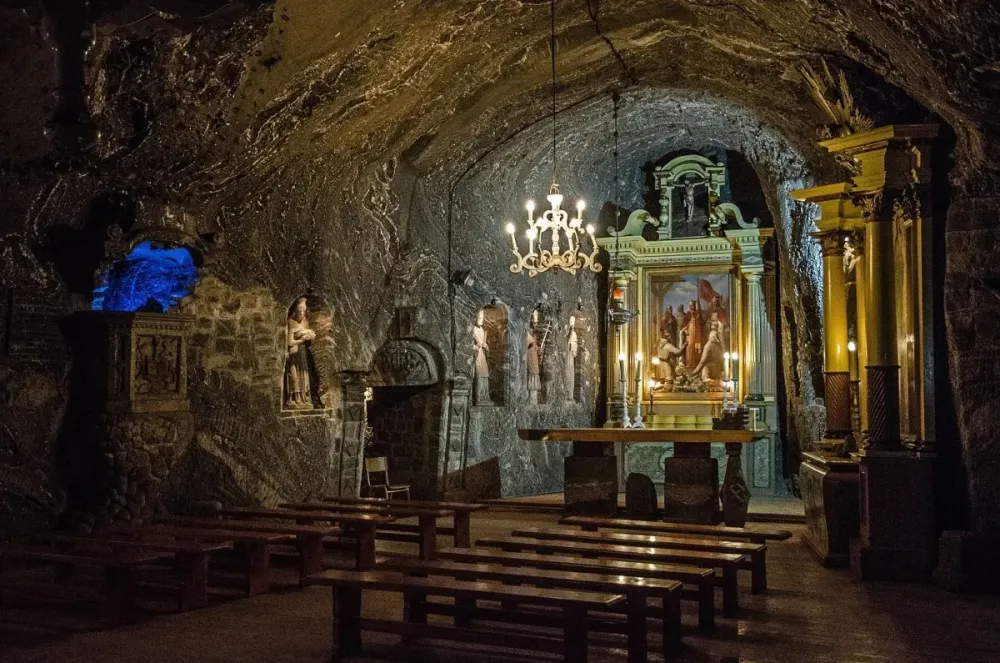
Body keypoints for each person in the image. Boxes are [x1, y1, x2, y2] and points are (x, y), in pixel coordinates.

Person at [285, 297, 317, 409]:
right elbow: (289, 342)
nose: (302, 314)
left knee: (304, 375)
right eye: (299, 312)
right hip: (294, 353)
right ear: (296, 311)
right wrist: (301, 340)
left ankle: (304, 398)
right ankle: (295, 399)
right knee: (294, 376)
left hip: (303, 353)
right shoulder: (291, 322)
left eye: (303, 312)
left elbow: (309, 339)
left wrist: (310, 336)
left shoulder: (306, 322)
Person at [473, 309, 491, 405]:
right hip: (477, 357)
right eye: (480, 317)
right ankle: (478, 397)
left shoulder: (482, 330)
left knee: (485, 375)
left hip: (483, 356)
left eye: (482, 318)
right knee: (479, 375)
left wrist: (486, 346)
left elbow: (486, 347)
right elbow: (468, 346)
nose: (481, 320)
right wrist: (477, 346)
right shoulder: (473, 329)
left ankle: (485, 397)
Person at [526, 311, 541, 405]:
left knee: (535, 373)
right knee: (532, 374)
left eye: (536, 323)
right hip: (529, 358)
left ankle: (533, 399)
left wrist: (537, 348)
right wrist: (531, 346)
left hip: (534, 357)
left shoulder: (533, 334)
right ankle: (531, 399)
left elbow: (534, 346)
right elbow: (526, 346)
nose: (535, 325)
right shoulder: (527, 333)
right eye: (534, 323)